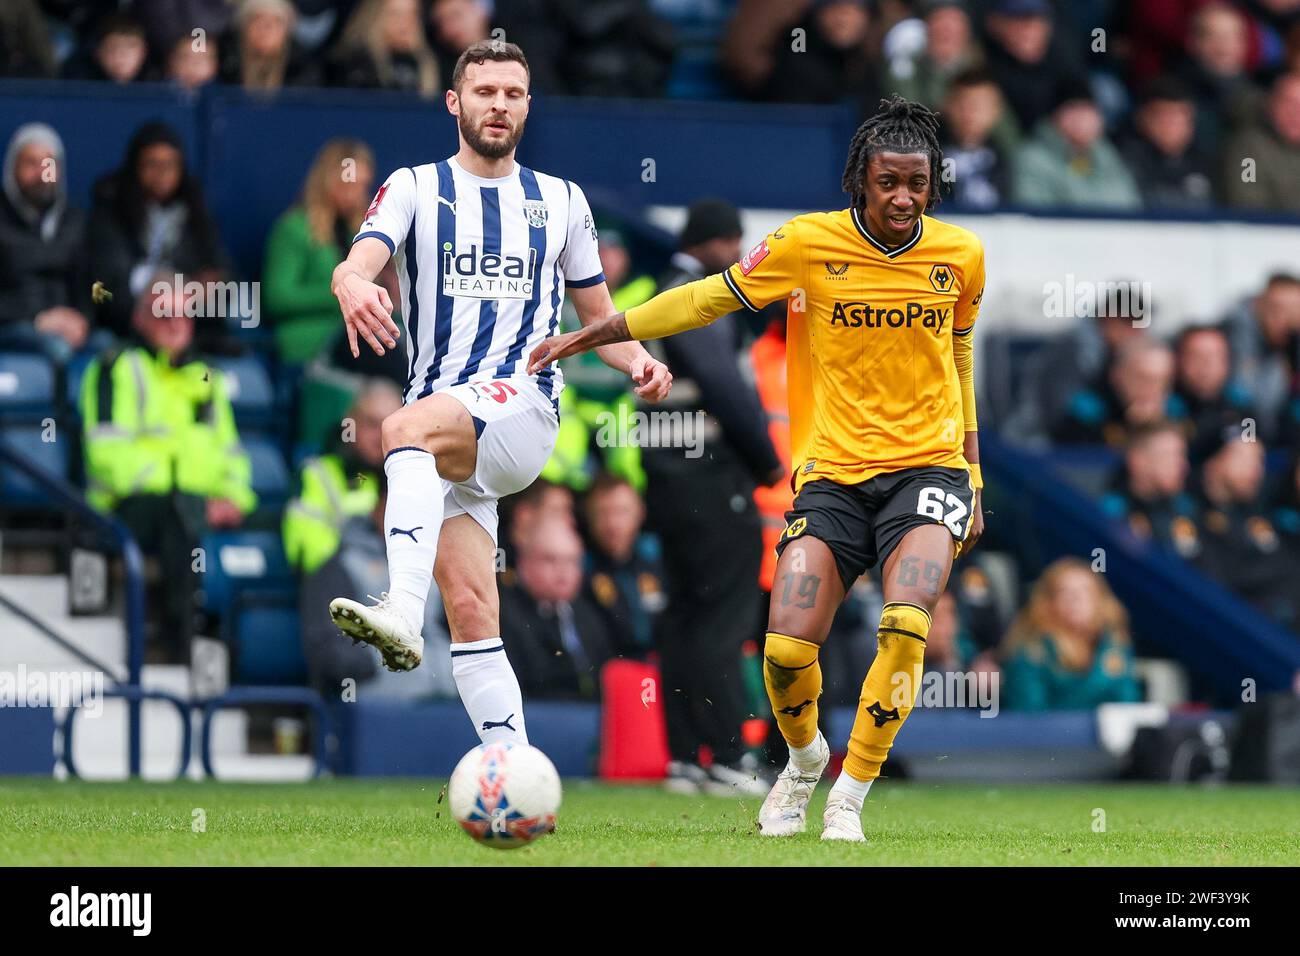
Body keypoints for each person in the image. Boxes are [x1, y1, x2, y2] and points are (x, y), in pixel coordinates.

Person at [530, 95, 986, 842]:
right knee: (783, 651)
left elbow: (959, 357)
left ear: (934, 183)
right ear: (858, 180)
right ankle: (803, 760)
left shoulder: (961, 255)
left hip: (928, 469)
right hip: (834, 475)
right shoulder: (806, 244)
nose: (904, 197)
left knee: (905, 623)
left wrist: (973, 470)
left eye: (918, 182)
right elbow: (704, 300)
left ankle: (850, 792)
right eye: (888, 181)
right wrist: (597, 333)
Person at [326, 40, 671, 748]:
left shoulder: (561, 201)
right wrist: (350, 280)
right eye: (484, 91)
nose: (499, 105)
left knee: (400, 429)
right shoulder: (414, 187)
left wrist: (638, 360)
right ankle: (514, 772)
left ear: (527, 107)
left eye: (513, 94)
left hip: (523, 407)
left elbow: (596, 316)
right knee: (475, 613)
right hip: (447, 433)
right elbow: (361, 260)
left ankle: (399, 605)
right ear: (455, 102)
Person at [637, 196, 781, 796]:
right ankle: (725, 753)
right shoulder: (697, 295)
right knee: (724, 616)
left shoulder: (656, 290)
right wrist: (767, 458)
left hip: (667, 484)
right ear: (717, 243)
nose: (741, 260)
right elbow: (721, 381)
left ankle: (684, 757)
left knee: (683, 618)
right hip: (711, 480)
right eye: (737, 245)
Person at [79, 275, 256, 661]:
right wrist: (184, 492)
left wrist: (233, 498)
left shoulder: (207, 376)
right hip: (125, 508)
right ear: (141, 319)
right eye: (164, 313)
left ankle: (237, 654)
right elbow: (106, 455)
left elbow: (232, 451)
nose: (175, 323)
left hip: (195, 506)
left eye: (184, 314)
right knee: (178, 515)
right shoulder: (114, 367)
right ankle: (183, 644)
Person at [300, 481, 454, 700]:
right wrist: (386, 662)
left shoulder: (439, 565)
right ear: (379, 509)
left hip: (447, 706)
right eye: (402, 508)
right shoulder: (341, 566)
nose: (411, 519)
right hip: (374, 713)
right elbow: (329, 651)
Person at [85, 121, 232, 339]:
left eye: (170, 165)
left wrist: (194, 295)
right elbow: (103, 288)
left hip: (187, 327)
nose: (162, 173)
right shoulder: (111, 211)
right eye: (152, 164)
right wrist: (158, 301)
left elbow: (222, 280)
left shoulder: (196, 213)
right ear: (136, 167)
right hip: (120, 327)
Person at [263, 138, 379, 365]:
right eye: (349, 185)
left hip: (357, 340)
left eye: (362, 186)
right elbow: (277, 298)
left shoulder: (361, 230)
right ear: (328, 181)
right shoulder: (294, 228)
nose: (356, 195)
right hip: (310, 342)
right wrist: (343, 293)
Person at [284, 379, 403, 575]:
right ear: (351, 421)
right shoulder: (317, 473)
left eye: (390, 426)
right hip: (338, 591)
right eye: (372, 423)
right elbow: (307, 551)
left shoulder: (409, 479)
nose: (380, 435)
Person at [498, 514, 616, 701]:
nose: (563, 571)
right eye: (550, 560)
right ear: (524, 562)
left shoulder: (589, 616)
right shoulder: (503, 616)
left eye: (571, 561)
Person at [0, 123, 91, 362]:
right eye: (31, 163)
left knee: (109, 349)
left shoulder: (74, 221)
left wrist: (81, 319)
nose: (41, 173)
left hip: (68, 327)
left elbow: (92, 285)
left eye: (48, 164)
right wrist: (38, 319)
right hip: (13, 327)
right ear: (12, 168)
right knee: (57, 350)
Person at [1001, 558, 1142, 711]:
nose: (1076, 599)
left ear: (1100, 599)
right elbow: (1029, 716)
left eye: (1086, 591)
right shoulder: (1030, 653)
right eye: (1065, 592)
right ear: (1049, 602)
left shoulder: (1115, 647)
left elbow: (1129, 704)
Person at [1012, 76, 1142, 211]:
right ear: (1054, 117)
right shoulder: (1032, 159)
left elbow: (1130, 203)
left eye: (1088, 110)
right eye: (1073, 110)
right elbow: (1034, 214)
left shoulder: (1106, 154)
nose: (1082, 120)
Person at [582, 472, 665, 661]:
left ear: (640, 512)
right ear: (589, 517)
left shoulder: (660, 560)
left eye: (621, 512)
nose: (613, 524)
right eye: (603, 513)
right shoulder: (580, 571)